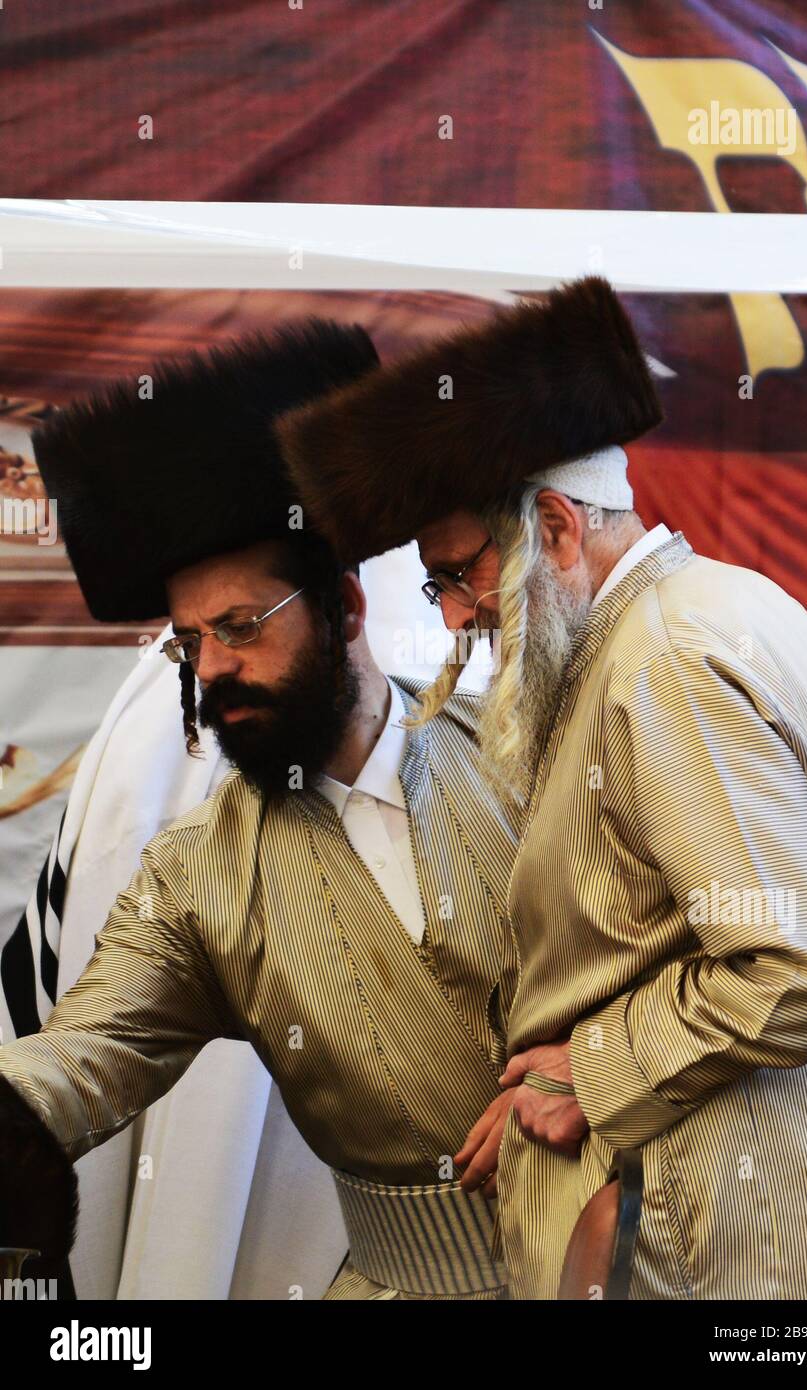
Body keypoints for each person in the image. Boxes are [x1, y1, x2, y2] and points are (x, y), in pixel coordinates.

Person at [277, 275, 807, 1300]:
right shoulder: (726, 606)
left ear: (556, 528)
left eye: (459, 572)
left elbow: (797, 963)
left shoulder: (661, 666)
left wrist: (595, 1072)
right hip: (786, 1198)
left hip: (730, 1236)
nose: (460, 614)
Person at [0, 319, 520, 1301]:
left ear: (349, 613)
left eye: (242, 627)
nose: (215, 671)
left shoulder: (533, 750)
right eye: (193, 641)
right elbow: (87, 1053)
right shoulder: (201, 873)